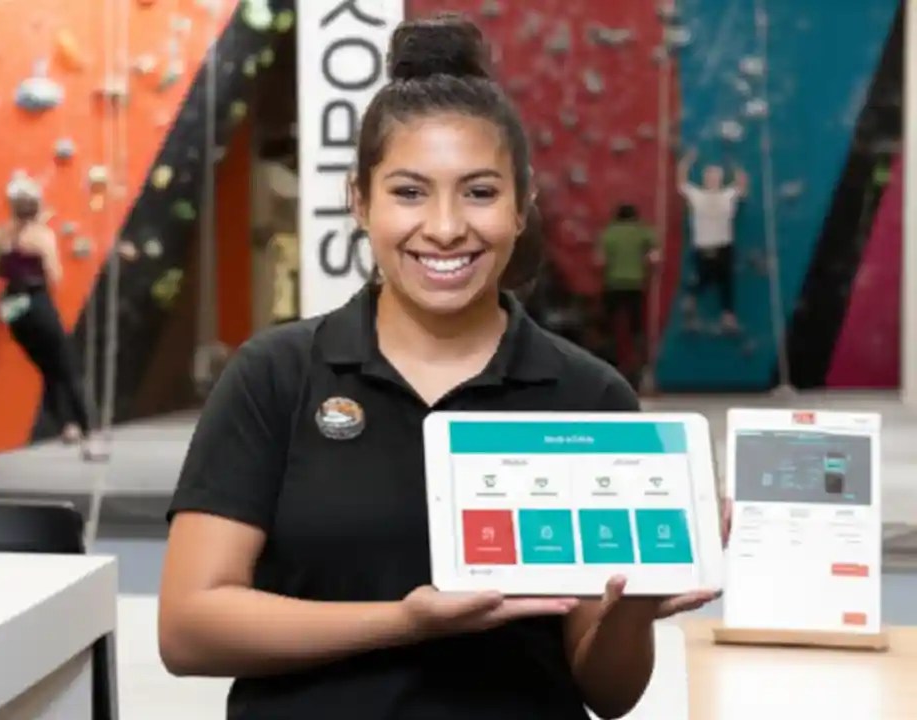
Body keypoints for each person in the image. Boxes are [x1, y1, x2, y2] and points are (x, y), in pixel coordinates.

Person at [159, 14, 727, 720]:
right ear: (359, 202)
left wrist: (634, 604)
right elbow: (187, 630)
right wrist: (405, 621)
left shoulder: (588, 394)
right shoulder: (275, 375)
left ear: (523, 207)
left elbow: (607, 693)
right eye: (409, 192)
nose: (447, 226)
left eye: (481, 192)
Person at [0, 174, 104, 460]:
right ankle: (90, 430)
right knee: (67, 366)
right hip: (36, 301)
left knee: (47, 367)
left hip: (11, 308)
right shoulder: (41, 236)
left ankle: (67, 426)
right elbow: (55, 276)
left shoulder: (0, 235)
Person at [677, 149, 747, 332]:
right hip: (703, 245)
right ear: (704, 179)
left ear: (721, 179)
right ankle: (691, 298)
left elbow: (742, 187)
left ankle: (728, 316)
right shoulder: (697, 195)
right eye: (710, 176)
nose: (713, 179)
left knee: (727, 281)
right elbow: (681, 183)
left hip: (724, 244)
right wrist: (685, 163)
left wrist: (737, 168)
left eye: (716, 177)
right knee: (705, 277)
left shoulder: (727, 195)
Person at [595, 203, 659, 381]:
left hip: (613, 285)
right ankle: (640, 368)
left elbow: (600, 260)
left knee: (608, 327)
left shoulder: (609, 232)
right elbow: (654, 254)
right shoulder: (642, 231)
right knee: (636, 329)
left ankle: (608, 362)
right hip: (635, 285)